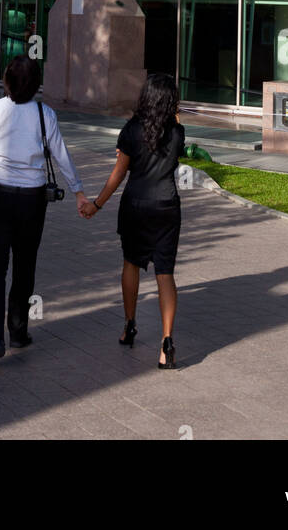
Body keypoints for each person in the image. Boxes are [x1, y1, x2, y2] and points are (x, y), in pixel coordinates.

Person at [0, 54, 92, 368]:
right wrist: (79, 191)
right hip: (32, 200)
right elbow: (63, 156)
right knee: (25, 264)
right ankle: (18, 330)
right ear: (37, 85)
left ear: (6, 82)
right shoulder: (45, 114)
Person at [83, 73, 185, 370]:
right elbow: (174, 128)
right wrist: (174, 115)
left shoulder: (131, 131)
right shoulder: (177, 133)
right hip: (167, 207)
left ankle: (129, 326)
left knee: (131, 264)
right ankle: (167, 343)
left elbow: (118, 174)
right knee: (165, 274)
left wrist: (96, 205)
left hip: (136, 206)